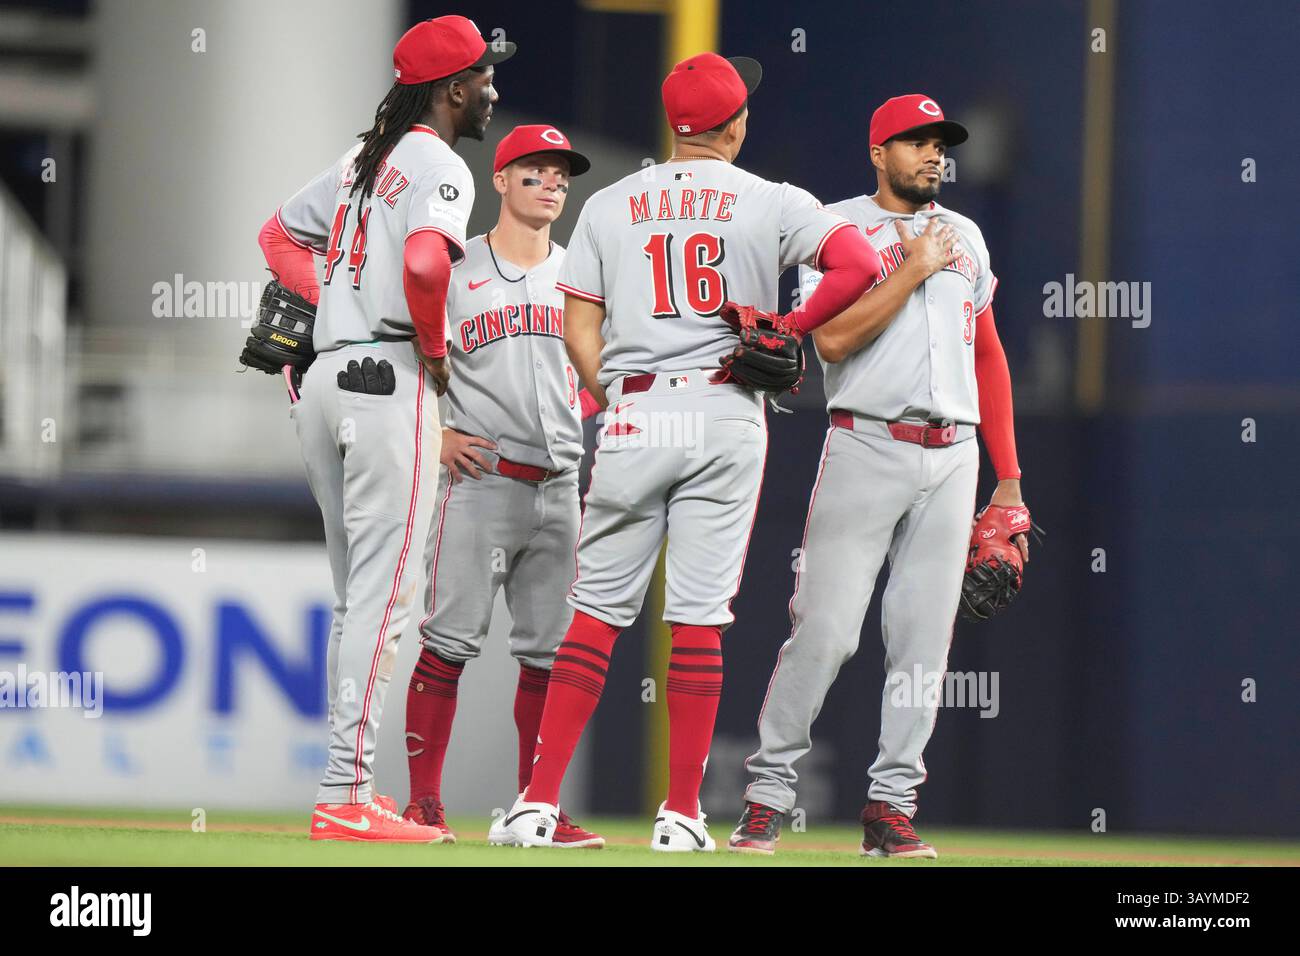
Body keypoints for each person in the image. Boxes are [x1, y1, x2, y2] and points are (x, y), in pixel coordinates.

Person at [493, 52, 881, 851]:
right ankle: (679, 815)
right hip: (726, 408)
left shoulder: (610, 202)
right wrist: (786, 330)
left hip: (638, 411)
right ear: (736, 125)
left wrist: (619, 398)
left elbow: (576, 327)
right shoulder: (769, 198)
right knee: (700, 621)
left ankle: (536, 802)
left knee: (595, 614)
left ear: (675, 124)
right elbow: (861, 263)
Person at [729, 94, 1029, 858]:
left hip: (955, 453)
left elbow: (988, 354)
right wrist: (911, 270)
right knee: (826, 634)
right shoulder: (836, 228)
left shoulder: (966, 235)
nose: (933, 154)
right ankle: (766, 799)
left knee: (923, 644)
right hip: (866, 441)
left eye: (939, 143)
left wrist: (1010, 479)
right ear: (878, 152)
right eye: (916, 142)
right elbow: (828, 341)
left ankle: (891, 807)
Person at [257, 15, 512, 842]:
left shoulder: (363, 159)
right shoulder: (438, 161)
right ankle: (345, 793)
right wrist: (435, 351)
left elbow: (276, 235)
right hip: (386, 379)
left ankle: (345, 786)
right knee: (385, 596)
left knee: (353, 599)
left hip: (325, 378)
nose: (491, 89)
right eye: (481, 76)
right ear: (451, 89)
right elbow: (428, 264)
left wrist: (331, 297)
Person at [399, 123, 603, 848]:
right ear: (499, 179)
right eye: (535, 172)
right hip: (481, 482)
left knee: (550, 655)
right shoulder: (453, 270)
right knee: (449, 643)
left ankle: (534, 807)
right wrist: (439, 434)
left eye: (560, 175)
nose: (551, 184)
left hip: (560, 486)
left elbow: (598, 374)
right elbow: (405, 363)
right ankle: (423, 803)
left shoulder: (583, 270)